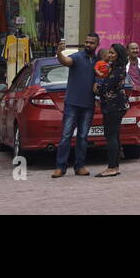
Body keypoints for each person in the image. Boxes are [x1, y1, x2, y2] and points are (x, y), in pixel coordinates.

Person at [52, 32, 100, 178]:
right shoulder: (78, 57)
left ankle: (80, 166)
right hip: (72, 103)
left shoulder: (98, 61)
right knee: (66, 135)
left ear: (97, 45)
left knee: (83, 137)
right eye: (86, 42)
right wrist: (59, 53)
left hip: (88, 105)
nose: (88, 45)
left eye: (91, 43)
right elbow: (65, 61)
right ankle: (60, 167)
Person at [95, 43, 129, 178]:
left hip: (114, 106)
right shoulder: (114, 68)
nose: (109, 55)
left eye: (112, 53)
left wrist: (97, 88)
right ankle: (115, 166)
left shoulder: (118, 70)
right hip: (114, 105)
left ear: (119, 55)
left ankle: (112, 167)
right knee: (114, 135)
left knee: (111, 136)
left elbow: (107, 87)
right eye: (109, 52)